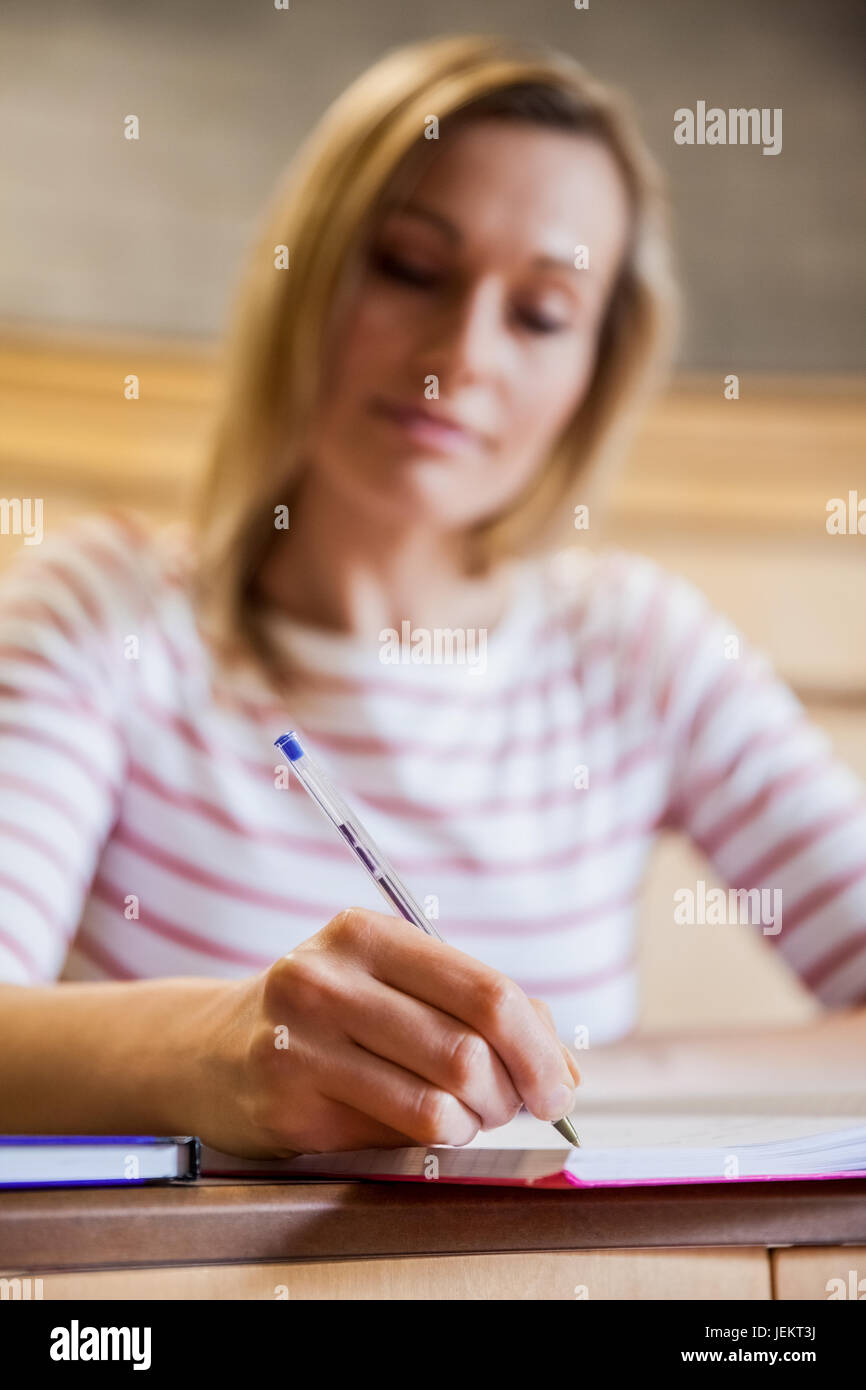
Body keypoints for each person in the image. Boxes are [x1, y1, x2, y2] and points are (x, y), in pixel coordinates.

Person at [1, 34, 864, 1159]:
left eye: (541, 313)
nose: (456, 355)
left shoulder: (641, 646)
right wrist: (229, 1048)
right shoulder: (98, 613)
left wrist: (564, 1068)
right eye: (411, 267)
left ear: (593, 373)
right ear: (303, 276)